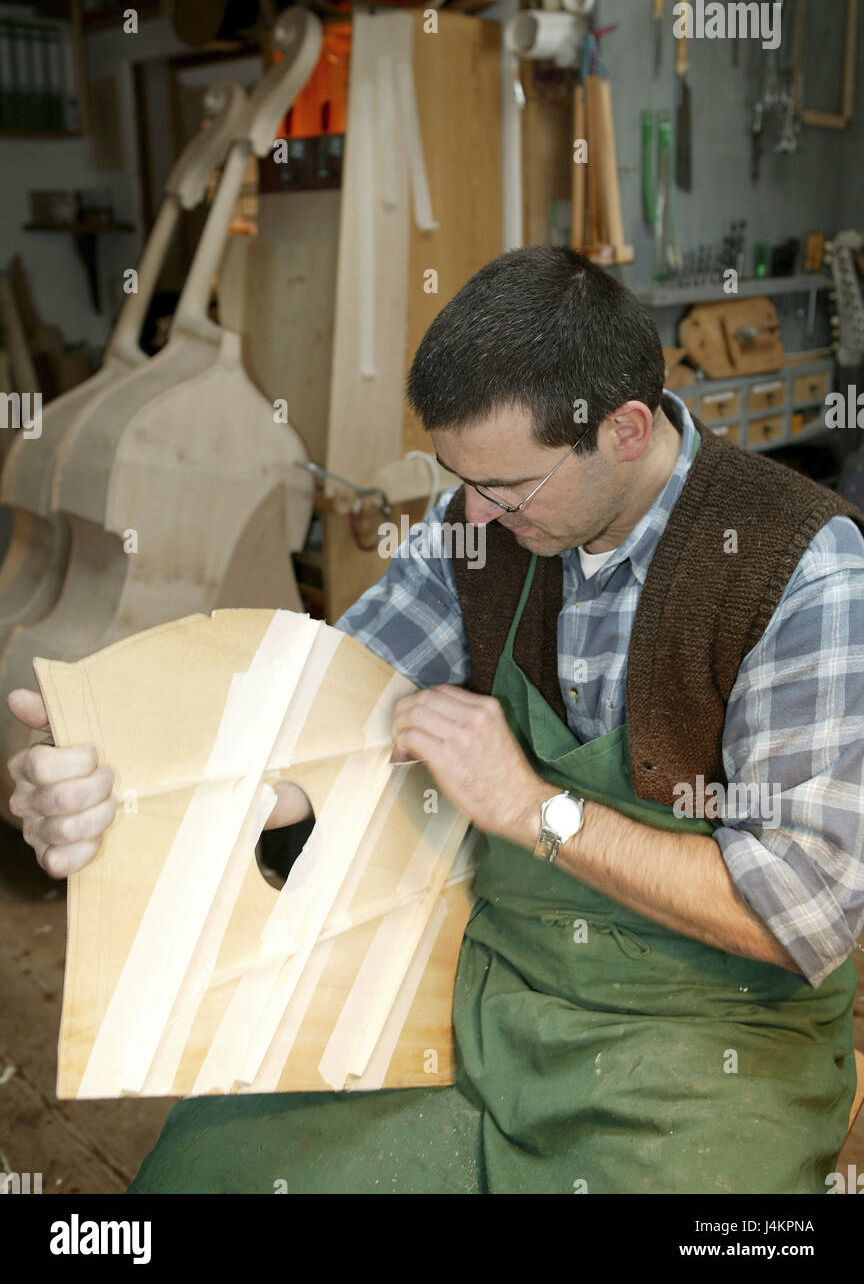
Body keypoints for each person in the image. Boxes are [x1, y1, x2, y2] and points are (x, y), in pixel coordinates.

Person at [10, 246, 864, 1194]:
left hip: (714, 1037)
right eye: (461, 479)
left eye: (509, 487)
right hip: (497, 986)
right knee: (203, 1172)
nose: (478, 516)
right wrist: (118, 778)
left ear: (625, 430)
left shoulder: (800, 567)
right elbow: (313, 719)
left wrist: (534, 809)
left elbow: (804, 914)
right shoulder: (481, 525)